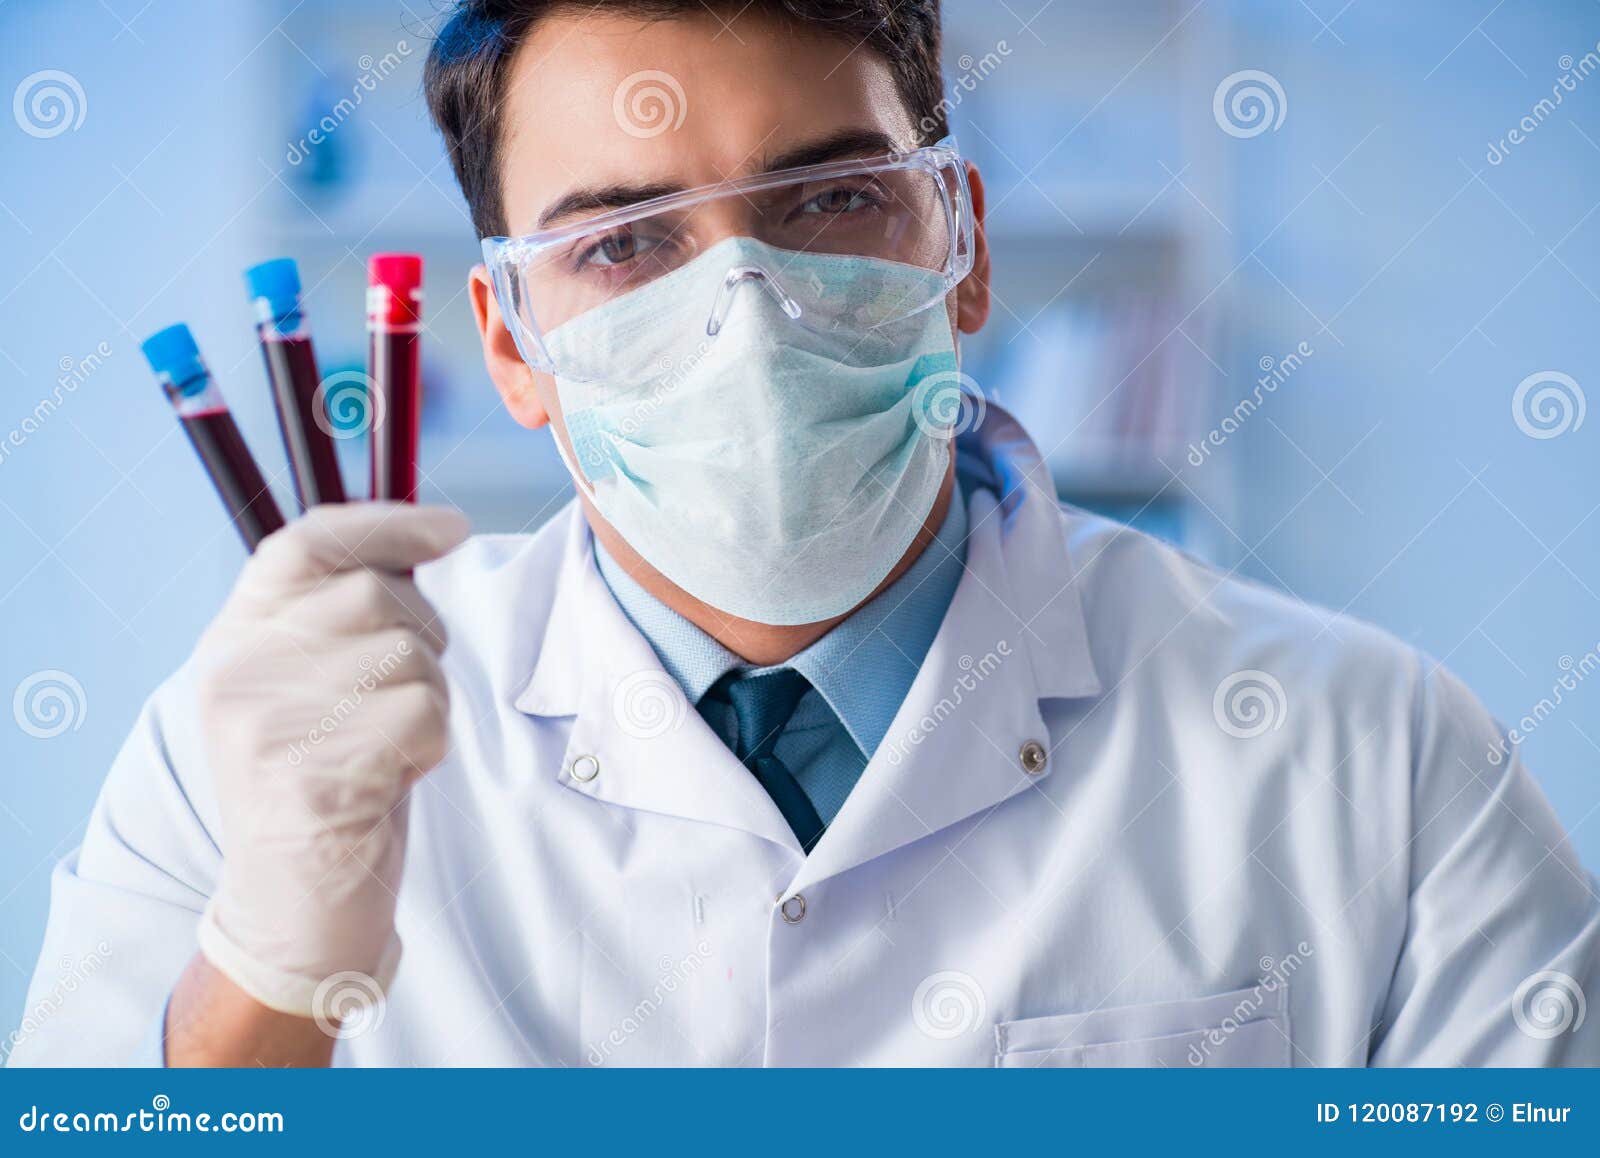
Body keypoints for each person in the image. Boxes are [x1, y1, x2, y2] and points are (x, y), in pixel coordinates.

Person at [9, 0, 1598, 1068]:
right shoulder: (249, 769)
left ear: (960, 242)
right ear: (507, 342)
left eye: (832, 202)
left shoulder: (1378, 755)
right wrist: (271, 964)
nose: (746, 310)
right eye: (626, 241)